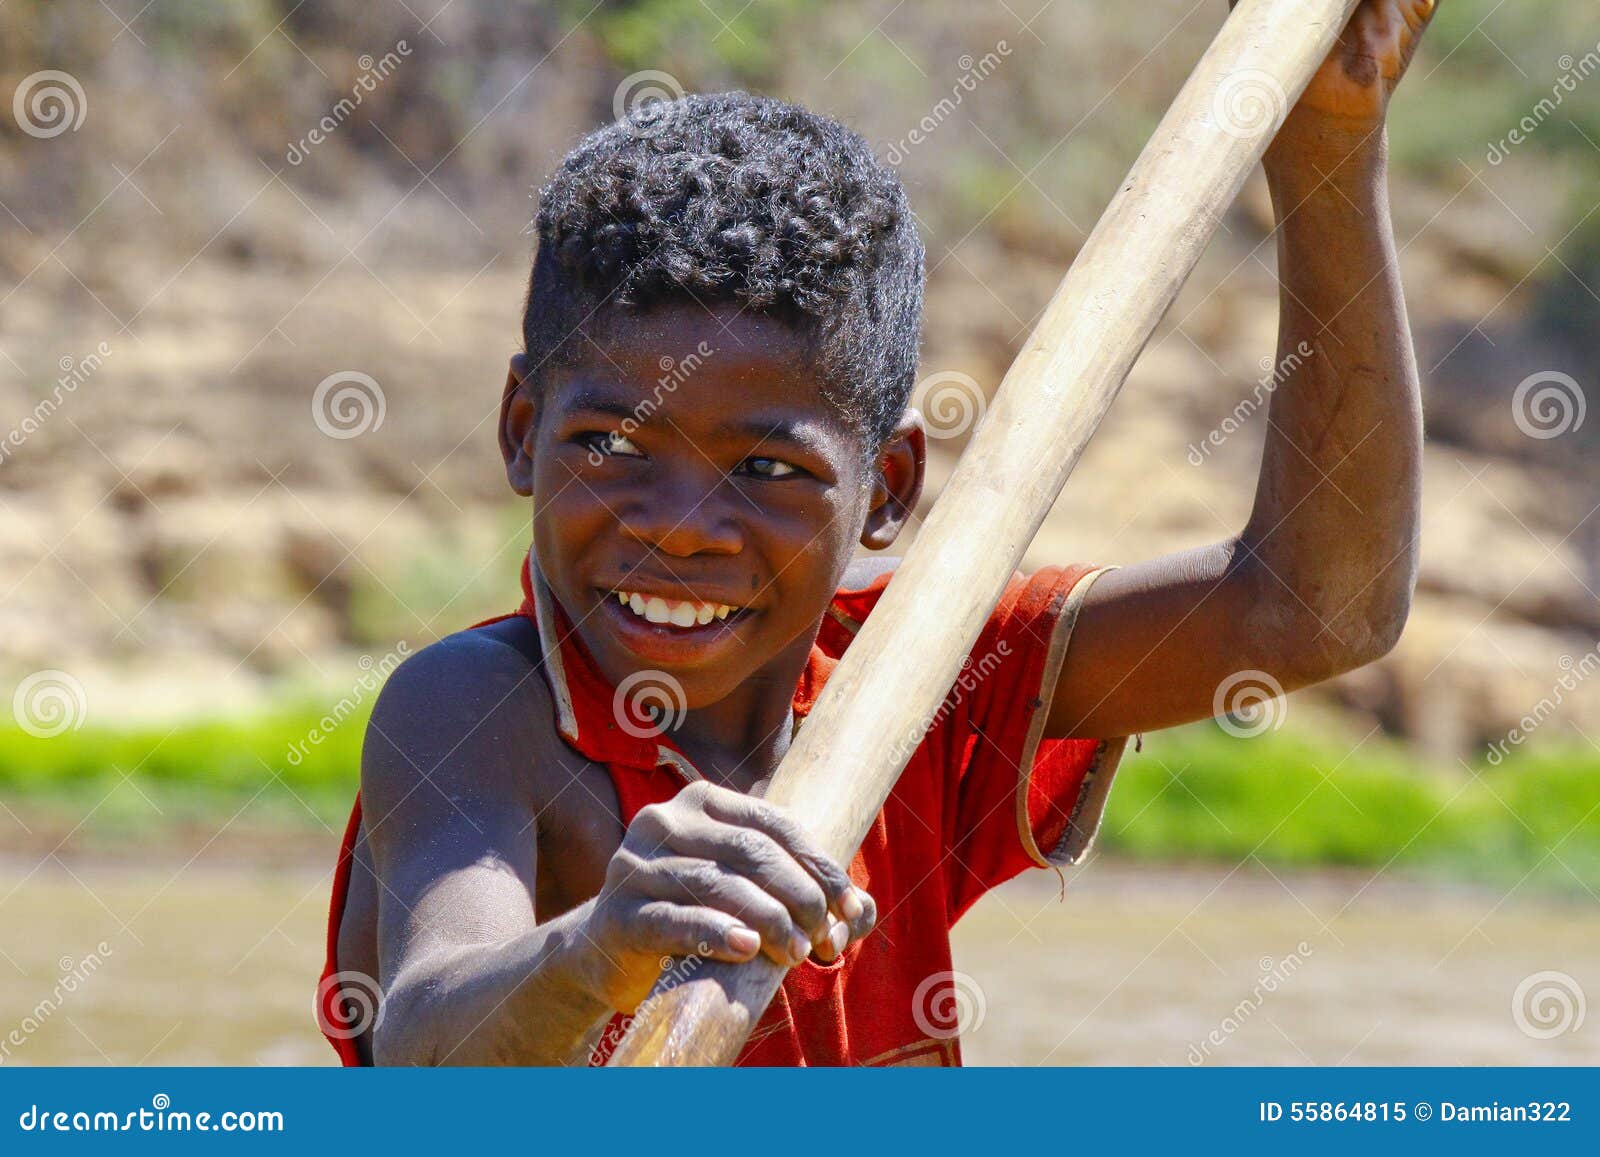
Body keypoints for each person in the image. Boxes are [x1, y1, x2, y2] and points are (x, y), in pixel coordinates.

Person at [319, 0, 1435, 1065]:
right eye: (610, 446)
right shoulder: (481, 709)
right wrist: (596, 948)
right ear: (521, 432)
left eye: (767, 469)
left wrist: (1327, 152)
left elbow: (1315, 609)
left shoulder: (917, 680)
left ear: (890, 488)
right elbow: (425, 1040)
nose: (681, 530)